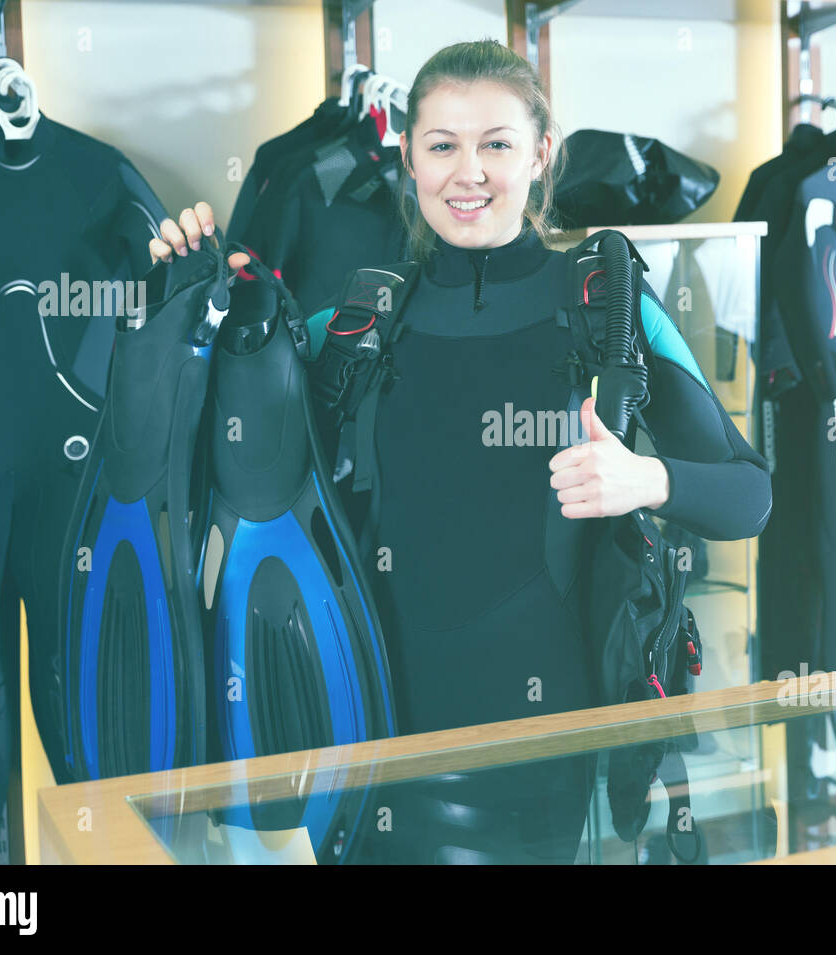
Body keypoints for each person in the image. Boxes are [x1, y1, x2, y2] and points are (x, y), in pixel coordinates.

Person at [151, 39, 771, 864]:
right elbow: (224, 435)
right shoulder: (357, 322)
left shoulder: (606, 302)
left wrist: (643, 478)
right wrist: (190, 285)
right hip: (371, 749)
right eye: (442, 145)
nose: (466, 172)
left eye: (497, 145)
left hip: (547, 763)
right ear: (408, 157)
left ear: (542, 154)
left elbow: (749, 494)